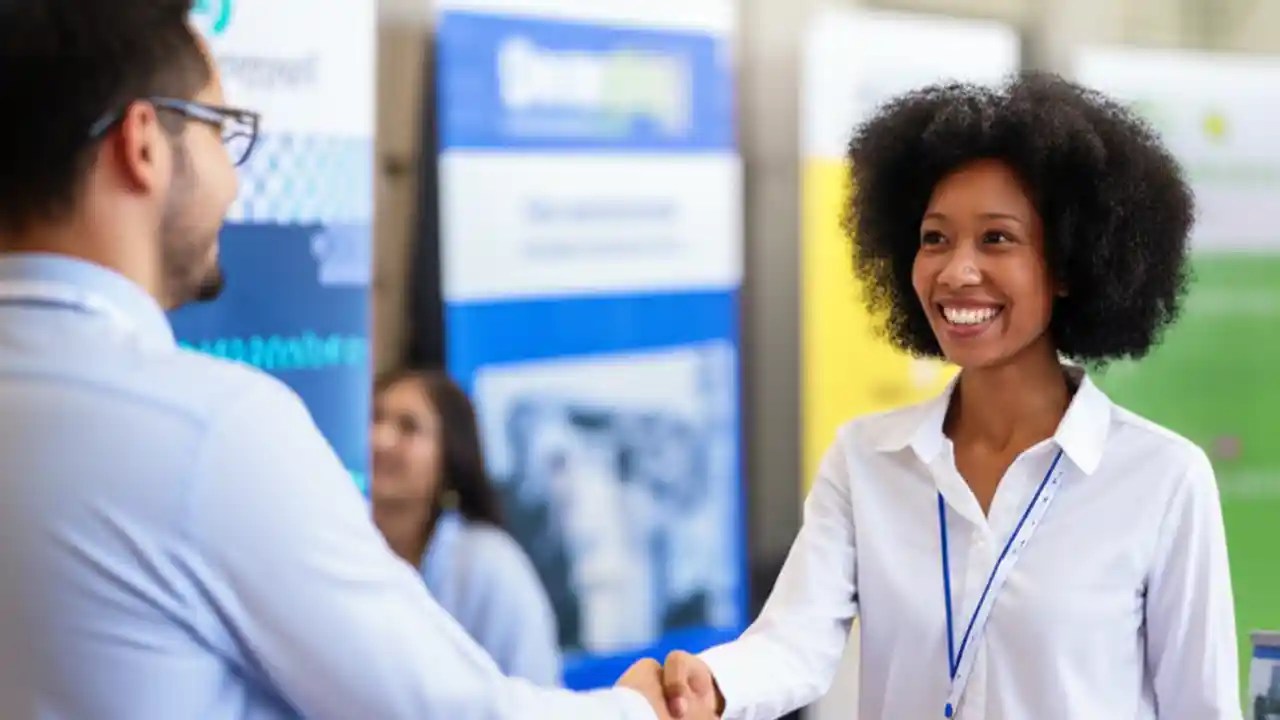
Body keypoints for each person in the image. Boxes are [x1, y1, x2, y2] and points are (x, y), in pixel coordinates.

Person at [0, 2, 703, 718]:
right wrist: (641, 711)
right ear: (144, 144)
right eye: (222, 130)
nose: (237, 182)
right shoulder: (210, 431)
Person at [661, 74, 1241, 719]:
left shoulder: (1161, 479)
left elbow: (1202, 707)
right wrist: (714, 686)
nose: (956, 271)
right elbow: (793, 644)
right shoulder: (866, 460)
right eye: (935, 238)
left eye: (997, 239)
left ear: (1072, 265)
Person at [372, 369, 561, 685]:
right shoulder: (347, 544)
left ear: (449, 459)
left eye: (408, 427)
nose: (379, 439)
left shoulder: (490, 563)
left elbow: (535, 696)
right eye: (374, 418)